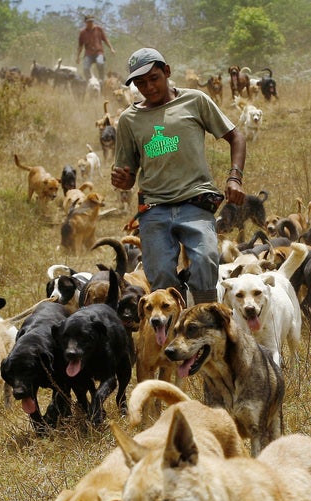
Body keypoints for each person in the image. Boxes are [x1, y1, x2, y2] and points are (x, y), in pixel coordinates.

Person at [111, 48, 246, 305]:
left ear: (167, 72)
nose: (148, 87)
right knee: (160, 274)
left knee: (206, 261)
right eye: (140, 83)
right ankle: (175, 328)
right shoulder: (129, 119)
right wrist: (121, 180)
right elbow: (127, 176)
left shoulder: (195, 101)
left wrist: (234, 178)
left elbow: (236, 136)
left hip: (195, 201)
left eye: (154, 78)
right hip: (154, 208)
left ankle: (205, 319)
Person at [75, 15, 114, 80]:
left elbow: (105, 39)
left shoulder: (99, 29)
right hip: (88, 54)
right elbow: (80, 46)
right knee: (86, 68)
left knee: (100, 63)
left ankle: (101, 80)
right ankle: (90, 81)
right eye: (88, 22)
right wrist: (77, 57)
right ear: (85, 22)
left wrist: (111, 48)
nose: (90, 23)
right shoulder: (82, 33)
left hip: (98, 52)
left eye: (91, 21)